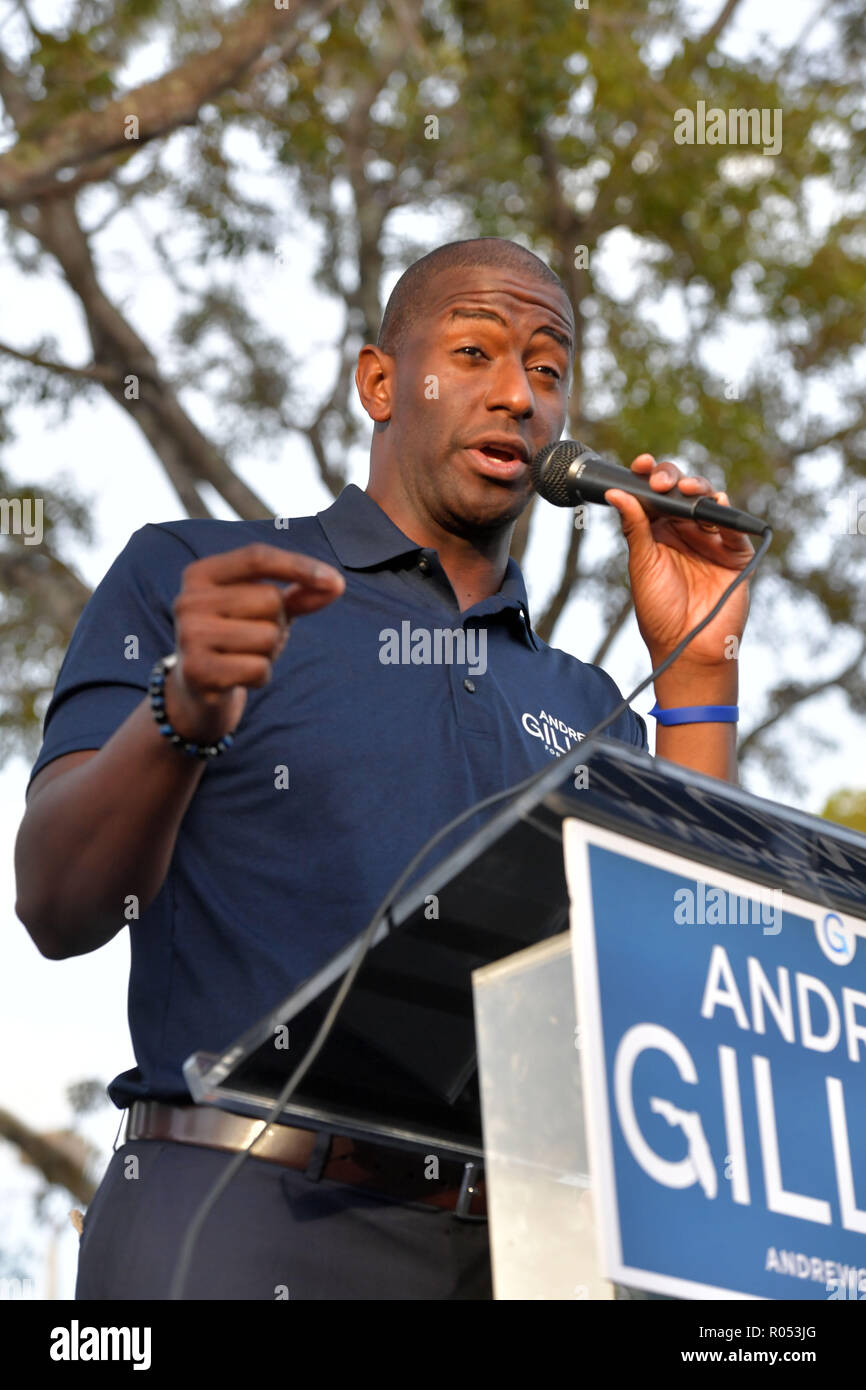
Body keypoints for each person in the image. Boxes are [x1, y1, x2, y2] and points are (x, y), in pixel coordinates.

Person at [14, 237, 752, 1300]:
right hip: (238, 1216)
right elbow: (57, 903)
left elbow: (677, 999)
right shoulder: (199, 579)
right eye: (476, 351)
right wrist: (181, 713)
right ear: (378, 382)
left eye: (546, 369)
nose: (516, 395)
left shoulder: (585, 704)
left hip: (519, 1259)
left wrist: (698, 672)